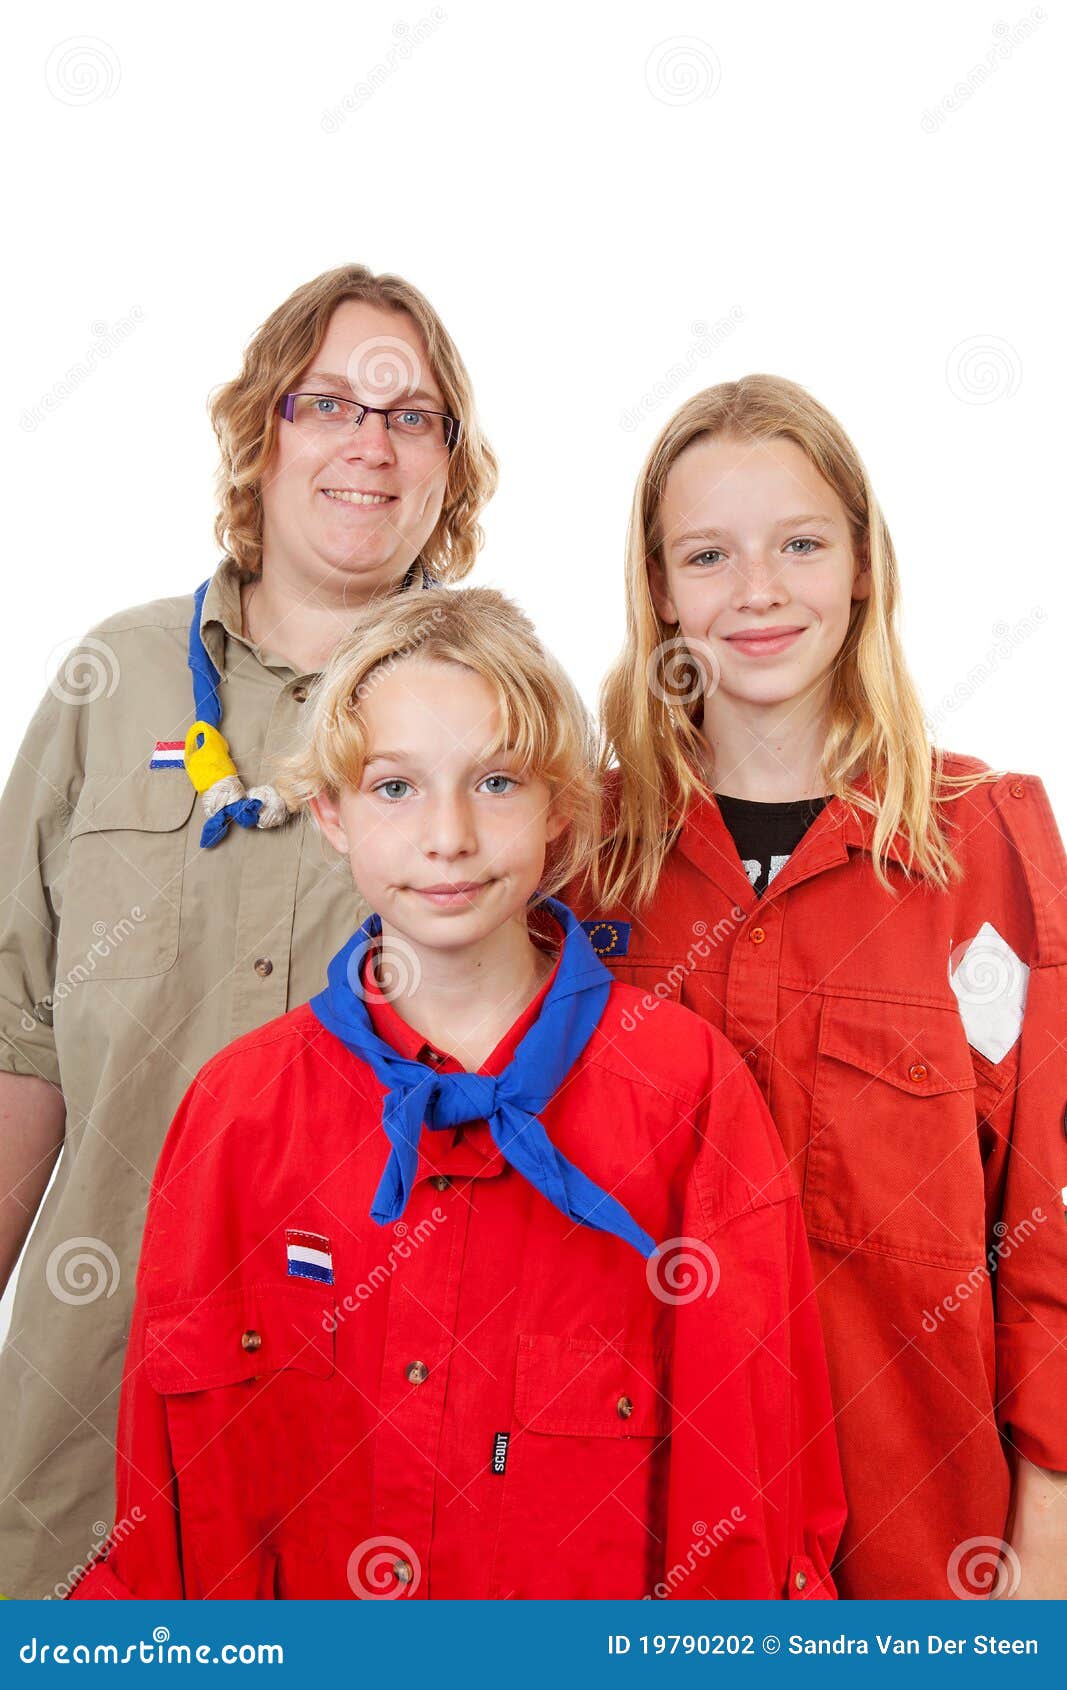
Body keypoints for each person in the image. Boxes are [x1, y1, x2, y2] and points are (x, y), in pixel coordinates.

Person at [66, 587, 845, 1600]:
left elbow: (747, 1516)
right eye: (395, 787)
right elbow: (164, 1519)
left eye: (495, 782)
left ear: (560, 805)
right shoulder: (235, 1114)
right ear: (332, 813)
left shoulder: (686, 1097)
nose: (448, 836)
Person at [0, 264, 497, 1598]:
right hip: (81, 1420)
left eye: (413, 414)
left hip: (371, 1419)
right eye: (325, 399)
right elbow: (18, 1047)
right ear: (257, 436)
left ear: (451, 465)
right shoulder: (112, 686)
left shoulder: (502, 727)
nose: (368, 440)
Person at [565, 374, 1067, 1600]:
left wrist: (1043, 1548)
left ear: (857, 563)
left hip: (917, 1555)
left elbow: (1049, 1226)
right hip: (623, 1549)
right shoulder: (578, 855)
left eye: (798, 543)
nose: (756, 592)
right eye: (707, 554)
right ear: (659, 589)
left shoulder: (986, 841)